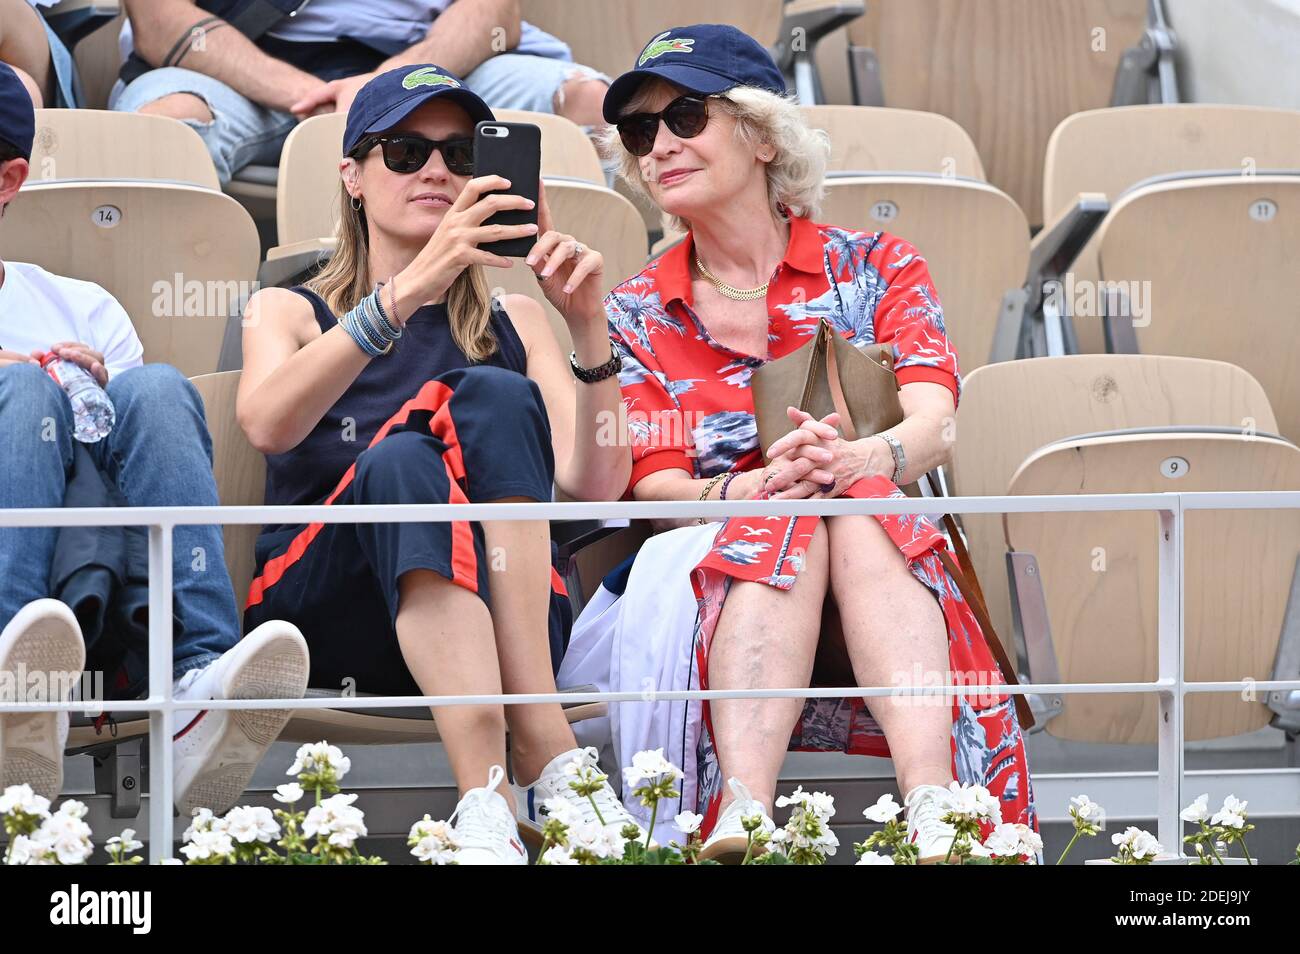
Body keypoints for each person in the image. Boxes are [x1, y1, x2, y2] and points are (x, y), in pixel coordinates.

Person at [559, 25, 1038, 861]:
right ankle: (767, 809)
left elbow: (936, 423)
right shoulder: (632, 309)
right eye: (640, 133)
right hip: (703, 571)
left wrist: (856, 461)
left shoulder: (877, 264)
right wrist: (761, 489)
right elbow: (651, 493)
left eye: (685, 117)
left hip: (871, 546)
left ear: (761, 133)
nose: (659, 146)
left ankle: (914, 809)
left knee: (845, 500)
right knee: (799, 508)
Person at [237, 64, 640, 864]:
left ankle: (485, 801)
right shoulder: (288, 307)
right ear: (352, 175)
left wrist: (589, 329)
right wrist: (411, 289)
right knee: (401, 461)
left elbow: (597, 484)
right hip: (335, 611)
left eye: (458, 154)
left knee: (477, 403)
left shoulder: (517, 315)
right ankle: (546, 741)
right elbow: (268, 424)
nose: (433, 170)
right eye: (403, 150)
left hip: (505, 615)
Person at [0, 64, 310, 814]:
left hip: (84, 567)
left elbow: (121, 463)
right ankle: (11, 676)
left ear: (7, 178)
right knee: (20, 392)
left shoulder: (81, 305)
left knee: (157, 387)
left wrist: (86, 397)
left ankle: (196, 684)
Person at [111, 0, 609, 185]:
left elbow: (494, 13)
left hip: (428, 63)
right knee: (162, 133)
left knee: (588, 109)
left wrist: (387, 86)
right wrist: (304, 90)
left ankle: (551, 342)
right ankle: (161, 360)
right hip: (235, 73)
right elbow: (159, 21)